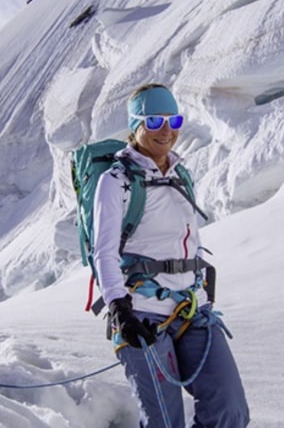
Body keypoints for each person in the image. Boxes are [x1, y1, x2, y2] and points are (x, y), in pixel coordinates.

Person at [94, 84, 249, 427]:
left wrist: (201, 291)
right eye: (153, 121)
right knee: (164, 422)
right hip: (142, 315)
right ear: (135, 126)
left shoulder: (181, 175)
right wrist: (120, 309)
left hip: (192, 311)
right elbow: (102, 252)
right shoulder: (115, 181)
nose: (166, 130)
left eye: (173, 119)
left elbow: (189, 241)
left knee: (230, 411)